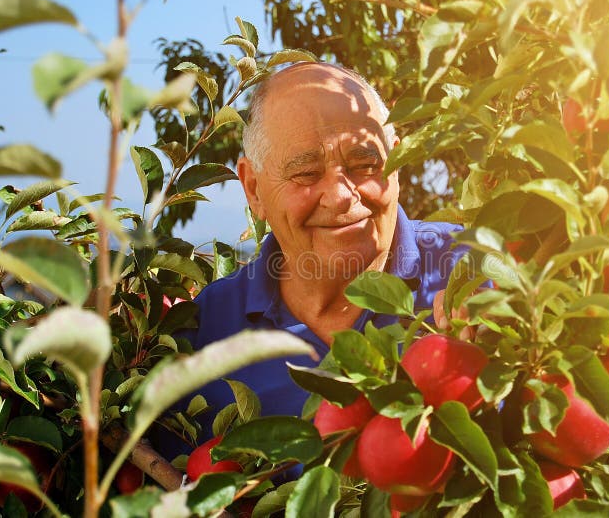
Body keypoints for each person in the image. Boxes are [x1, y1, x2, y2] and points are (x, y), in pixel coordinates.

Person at [164, 62, 465, 455]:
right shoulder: (205, 333)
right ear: (253, 189)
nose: (341, 195)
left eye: (364, 164)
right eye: (306, 173)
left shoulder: (469, 271)